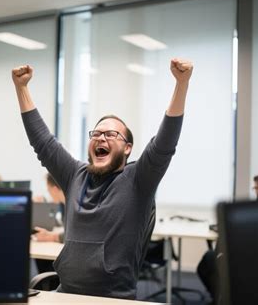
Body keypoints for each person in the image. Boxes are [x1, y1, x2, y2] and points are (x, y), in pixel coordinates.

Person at [12, 58, 193, 299]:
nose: (101, 138)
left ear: (128, 148)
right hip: (64, 294)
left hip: (111, 299)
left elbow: (164, 144)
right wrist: (21, 88)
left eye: (111, 134)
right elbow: (42, 142)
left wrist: (181, 84)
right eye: (96, 133)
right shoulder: (75, 175)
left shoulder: (138, 179)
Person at [34, 173, 65, 243]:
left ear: (54, 190)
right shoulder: (64, 204)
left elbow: (76, 235)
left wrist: (52, 237)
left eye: (48, 190)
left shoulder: (74, 205)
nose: (49, 194)